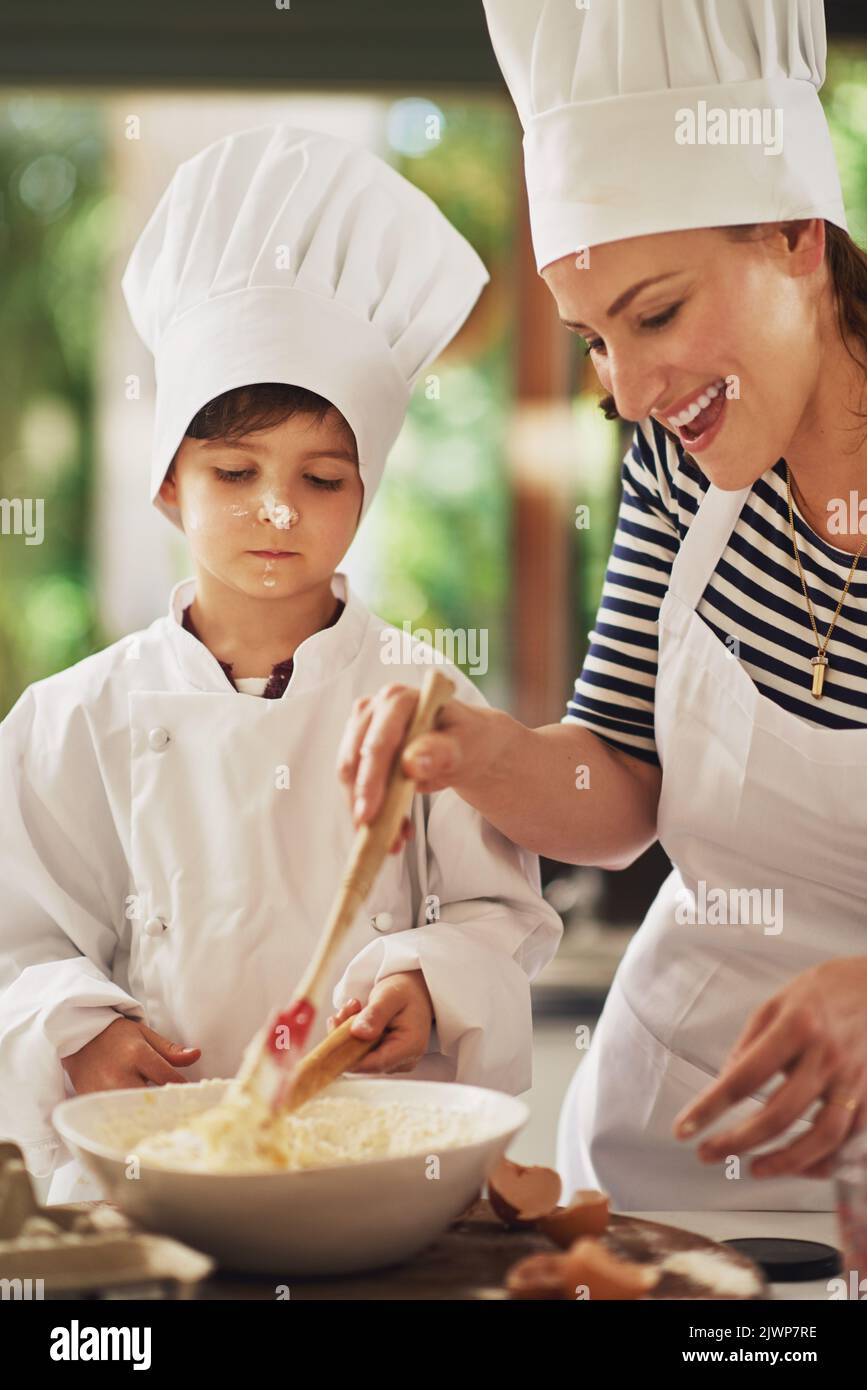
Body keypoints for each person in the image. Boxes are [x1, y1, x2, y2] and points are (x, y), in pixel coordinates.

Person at [338, 0, 867, 1210]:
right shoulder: (688, 466)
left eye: (658, 313)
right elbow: (621, 791)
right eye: (591, 340)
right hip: (659, 1171)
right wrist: (484, 754)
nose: (628, 393)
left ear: (797, 233)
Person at [0, 124, 563, 1204]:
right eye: (234, 470)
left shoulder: (428, 707)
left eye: (322, 478)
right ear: (170, 485)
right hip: (153, 1180)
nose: (276, 510)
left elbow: (503, 920)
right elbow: (18, 934)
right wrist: (77, 1029)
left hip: (377, 1169)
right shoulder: (74, 718)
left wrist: (430, 983)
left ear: (366, 491)